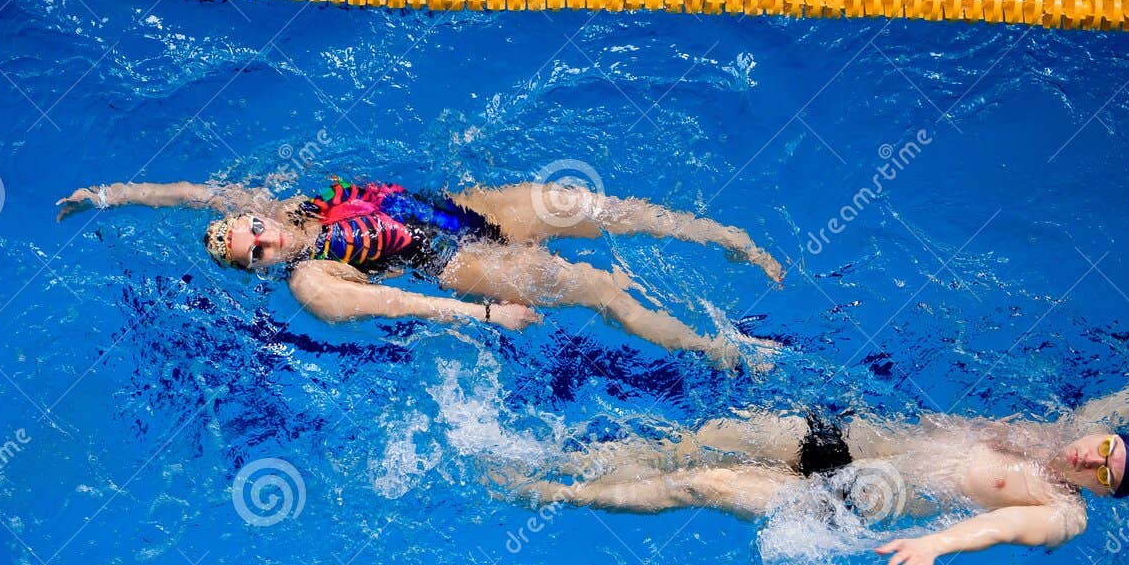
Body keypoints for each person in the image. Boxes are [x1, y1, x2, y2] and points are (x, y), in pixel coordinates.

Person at [510, 367, 1129, 565]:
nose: (1092, 460)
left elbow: (1005, 525)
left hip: (849, 497)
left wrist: (936, 544)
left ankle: (553, 493)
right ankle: (557, 456)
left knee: (702, 485)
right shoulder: (1074, 428)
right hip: (850, 442)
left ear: (1102, 494)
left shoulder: (1064, 512)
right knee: (701, 438)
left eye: (1105, 474)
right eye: (1105, 449)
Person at [56, 176, 784, 371]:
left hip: (457, 209)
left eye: (255, 230)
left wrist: (106, 196)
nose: (264, 239)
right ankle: (717, 351)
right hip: (456, 260)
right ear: (258, 270)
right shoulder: (311, 282)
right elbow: (396, 302)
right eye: (255, 254)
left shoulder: (276, 208)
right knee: (597, 289)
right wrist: (489, 314)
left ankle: (721, 237)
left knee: (583, 204)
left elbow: (187, 193)